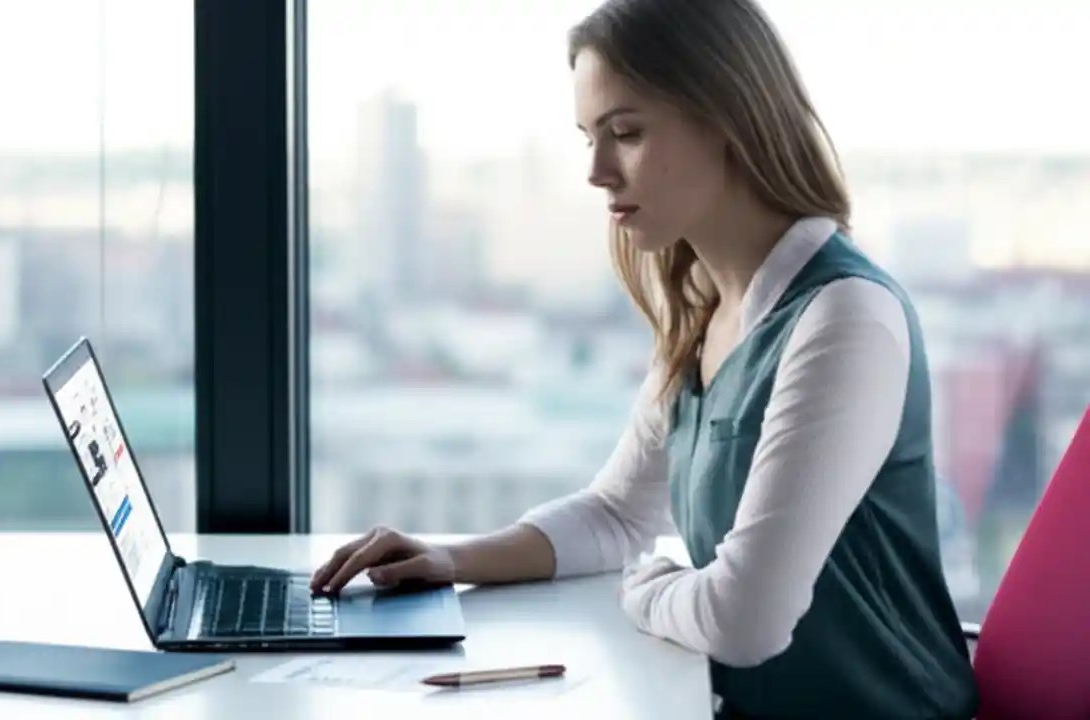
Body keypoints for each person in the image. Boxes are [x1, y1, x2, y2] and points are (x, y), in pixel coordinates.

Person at [311, 0, 978, 716]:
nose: (597, 171)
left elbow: (743, 619)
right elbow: (616, 514)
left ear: (729, 119)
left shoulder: (844, 318)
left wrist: (646, 589)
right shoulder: (703, 310)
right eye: (589, 139)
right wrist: (451, 560)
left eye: (625, 133)